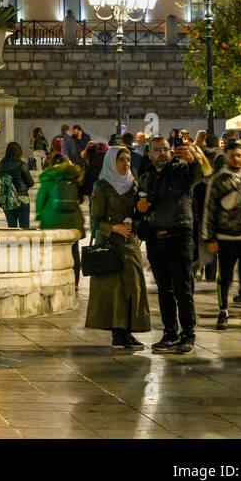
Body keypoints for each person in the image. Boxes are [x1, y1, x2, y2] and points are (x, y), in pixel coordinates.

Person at [136, 135, 212, 354]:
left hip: (179, 233)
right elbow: (141, 205)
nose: (162, 153)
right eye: (157, 150)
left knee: (182, 287)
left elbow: (197, 176)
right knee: (164, 289)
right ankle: (170, 332)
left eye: (165, 149)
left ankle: (188, 333)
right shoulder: (146, 177)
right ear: (149, 153)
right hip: (155, 237)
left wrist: (192, 160)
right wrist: (141, 209)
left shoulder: (181, 171)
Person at [85, 147, 150, 349]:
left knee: (133, 289)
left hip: (130, 245)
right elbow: (95, 222)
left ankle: (128, 331)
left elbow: (139, 216)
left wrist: (139, 214)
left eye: (128, 160)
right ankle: (118, 333)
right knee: (114, 292)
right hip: (110, 246)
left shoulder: (133, 185)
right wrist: (114, 228)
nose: (126, 164)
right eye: (121, 159)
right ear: (111, 162)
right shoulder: (102, 187)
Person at [202, 141, 241, 329]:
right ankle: (223, 310)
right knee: (225, 277)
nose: (236, 159)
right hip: (225, 238)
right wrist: (209, 237)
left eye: (239, 155)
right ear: (227, 157)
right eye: (233, 155)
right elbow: (209, 209)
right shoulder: (217, 180)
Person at [36, 153, 84, 286]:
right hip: (73, 220)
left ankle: (54, 278)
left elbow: (41, 199)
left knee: (52, 250)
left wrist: (39, 214)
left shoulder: (49, 177)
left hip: (53, 220)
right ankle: (75, 281)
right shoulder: (74, 177)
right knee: (74, 250)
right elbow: (80, 198)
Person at [0, 142, 34, 229]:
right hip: (21, 197)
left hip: (7, 198)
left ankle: (13, 242)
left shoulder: (1, 164)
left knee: (11, 228)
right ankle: (24, 242)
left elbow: (0, 178)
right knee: (24, 227)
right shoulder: (22, 164)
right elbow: (30, 183)